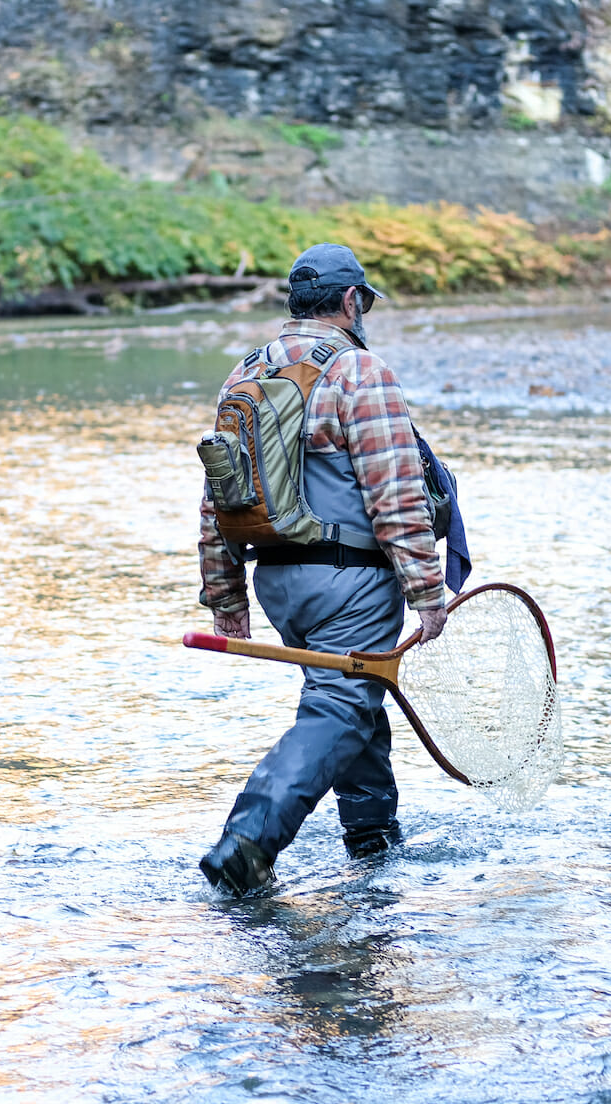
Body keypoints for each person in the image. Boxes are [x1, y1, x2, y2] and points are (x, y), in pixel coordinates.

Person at [197, 242, 446, 897]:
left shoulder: (242, 375)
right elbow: (395, 492)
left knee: (357, 700)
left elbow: (217, 495)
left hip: (280, 586)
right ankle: (247, 843)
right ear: (349, 302)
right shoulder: (361, 371)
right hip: (350, 582)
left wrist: (227, 597)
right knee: (339, 709)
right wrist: (427, 590)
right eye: (363, 301)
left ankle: (373, 848)